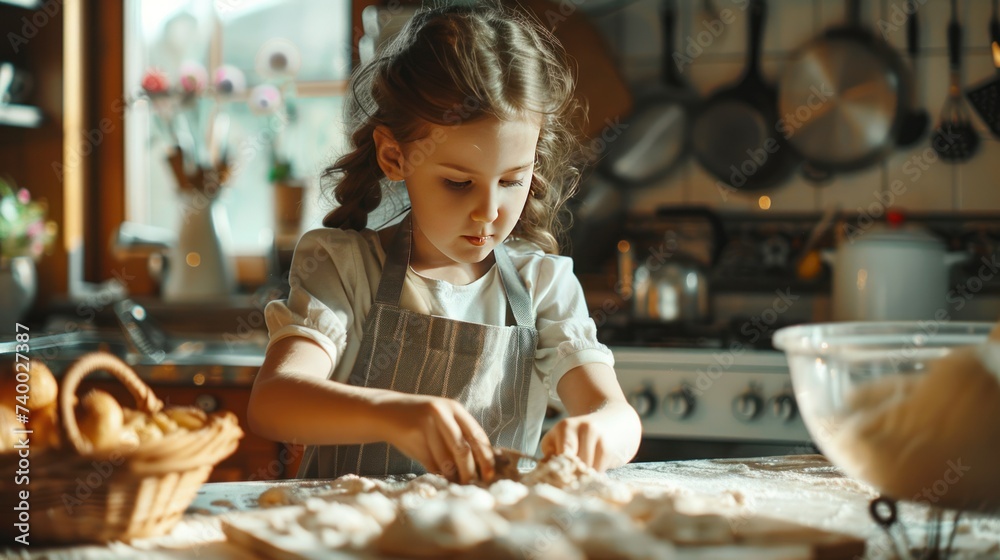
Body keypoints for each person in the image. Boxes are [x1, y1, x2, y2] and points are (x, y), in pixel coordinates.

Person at [247, 1, 641, 484]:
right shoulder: (344, 267)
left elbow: (618, 415)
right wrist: (394, 414)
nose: (489, 211)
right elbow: (274, 399)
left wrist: (596, 431)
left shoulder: (540, 285)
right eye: (458, 183)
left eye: (513, 181)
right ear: (395, 157)